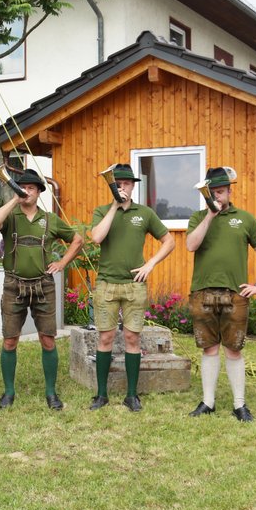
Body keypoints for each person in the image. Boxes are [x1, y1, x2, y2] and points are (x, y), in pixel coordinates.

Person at [0, 169, 85, 410]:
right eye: (23, 187)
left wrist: (62, 263)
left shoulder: (50, 220)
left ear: (39, 192)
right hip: (13, 285)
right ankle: (9, 392)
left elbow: (78, 240)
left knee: (48, 340)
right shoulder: (11, 216)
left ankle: (51, 392)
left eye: (31, 188)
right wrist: (14, 200)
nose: (26, 191)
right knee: (10, 340)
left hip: (44, 286)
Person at [185, 166, 256, 422]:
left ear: (229, 191)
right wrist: (210, 215)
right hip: (203, 292)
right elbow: (191, 245)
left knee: (234, 349)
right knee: (209, 348)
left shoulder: (244, 219)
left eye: (221, 192)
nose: (217, 196)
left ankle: (239, 405)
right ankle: (208, 402)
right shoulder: (197, 217)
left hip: (235, 294)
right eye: (212, 193)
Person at [87, 163, 175, 412]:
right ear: (112, 186)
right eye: (118, 183)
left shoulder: (144, 213)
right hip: (106, 284)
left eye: (126, 183)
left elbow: (169, 241)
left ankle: (131, 395)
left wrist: (151, 264)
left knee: (132, 337)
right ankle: (101, 394)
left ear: (133, 186)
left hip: (134, 286)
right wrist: (115, 206)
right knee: (104, 337)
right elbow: (96, 238)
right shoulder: (102, 210)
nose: (122, 187)